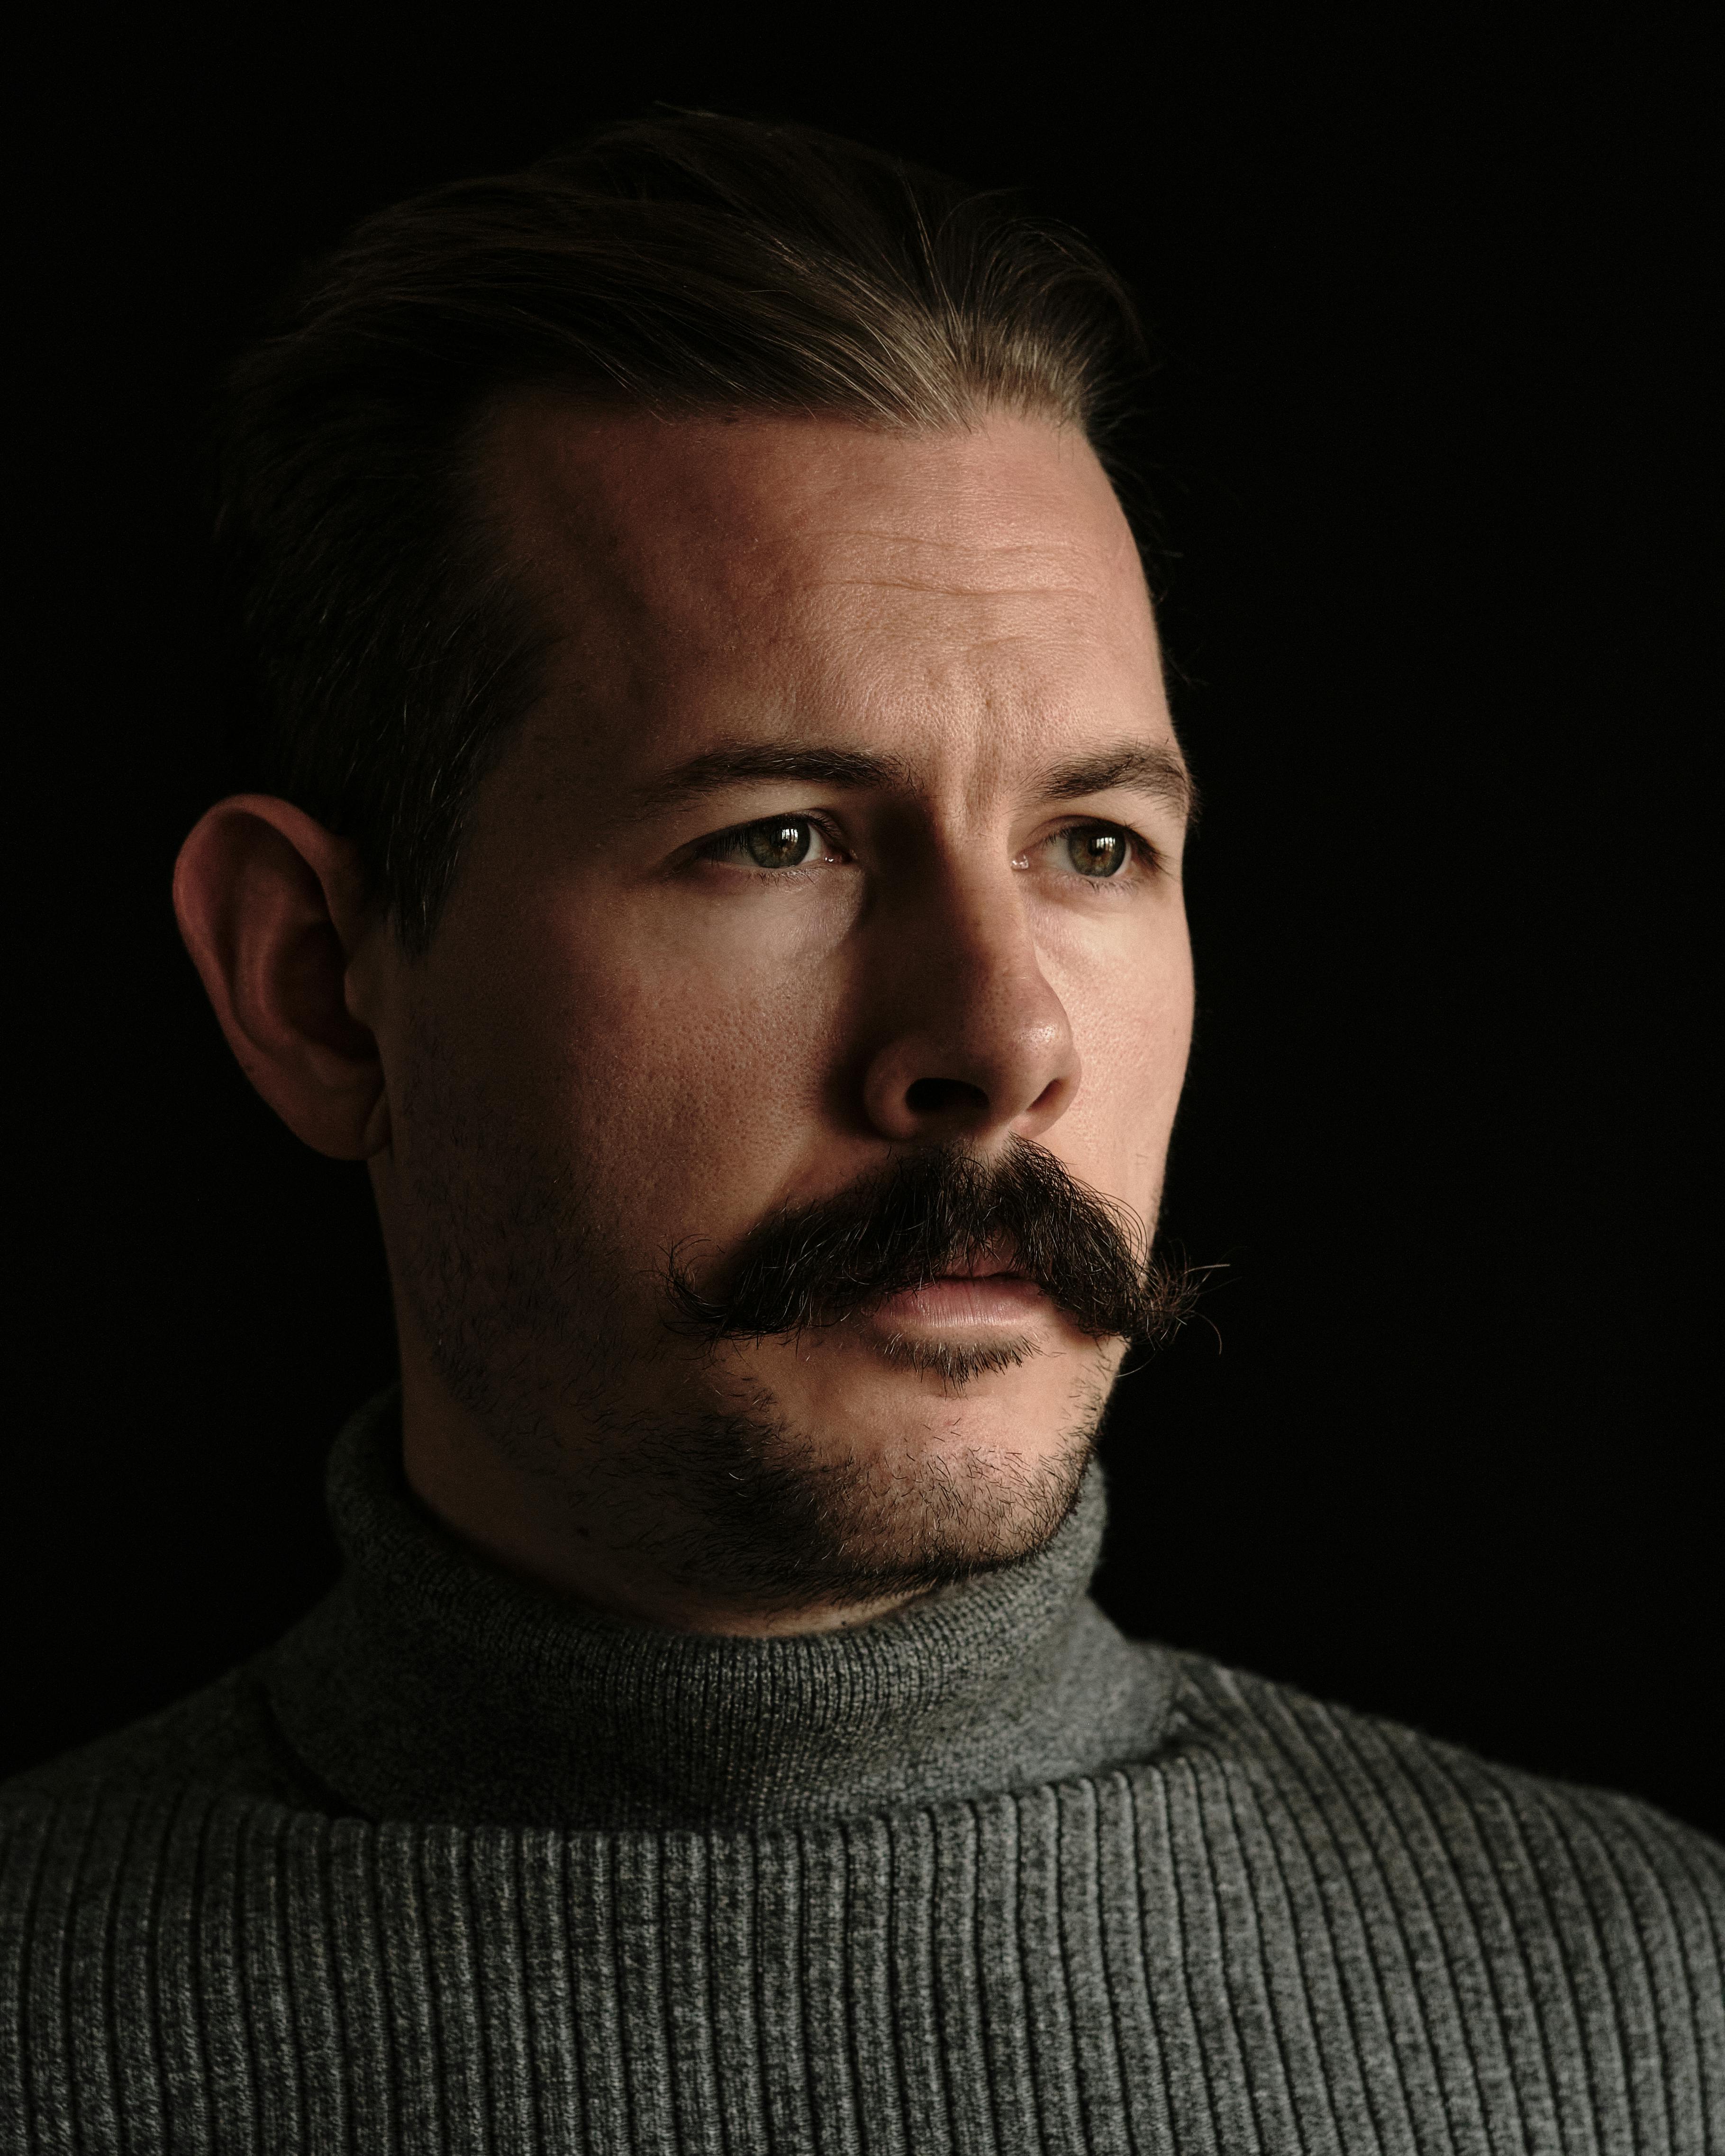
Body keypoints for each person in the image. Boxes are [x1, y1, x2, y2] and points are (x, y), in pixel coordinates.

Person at [2, 113, 1718, 2156]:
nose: (1001, 1041)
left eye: (1095, 844)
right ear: (312, 984)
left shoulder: (1660, 2014)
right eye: (781, 839)